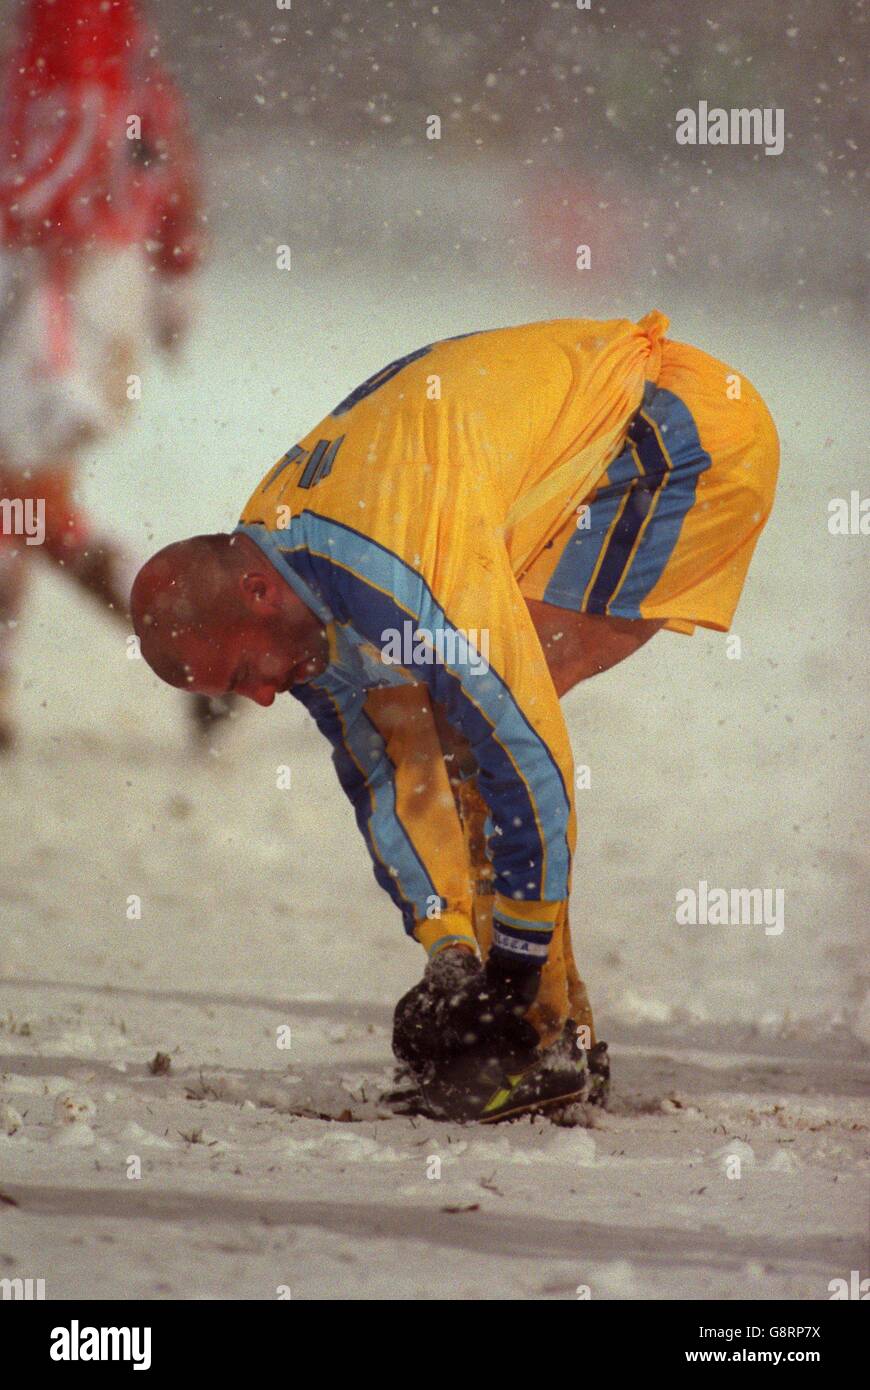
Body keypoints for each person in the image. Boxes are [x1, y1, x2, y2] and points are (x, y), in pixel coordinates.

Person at [131, 311, 780, 1120]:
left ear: (258, 596)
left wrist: (507, 970)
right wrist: (448, 952)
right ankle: (552, 1031)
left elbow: (520, 749)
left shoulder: (381, 563)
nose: (263, 698)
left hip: (678, 432)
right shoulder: (287, 574)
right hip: (572, 460)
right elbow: (384, 767)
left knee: (493, 718)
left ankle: (544, 1037)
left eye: (243, 675)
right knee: (442, 716)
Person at [0, 0, 217, 747]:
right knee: (28, 503)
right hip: (94, 287)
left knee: (19, 497)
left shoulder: (64, 54)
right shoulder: (136, 72)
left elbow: (45, 179)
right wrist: (175, 271)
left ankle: (198, 649)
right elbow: (172, 170)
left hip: (59, 294)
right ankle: (195, 649)